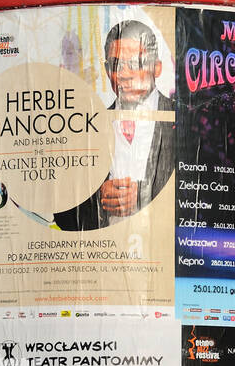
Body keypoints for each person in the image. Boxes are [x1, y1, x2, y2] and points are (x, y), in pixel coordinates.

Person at [54, 18, 174, 231]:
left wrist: (144, 195)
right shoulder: (86, 127)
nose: (125, 74)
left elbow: (198, 195)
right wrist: (97, 199)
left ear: (157, 67)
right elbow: (62, 213)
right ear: (107, 70)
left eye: (136, 62)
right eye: (116, 64)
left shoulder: (184, 121)